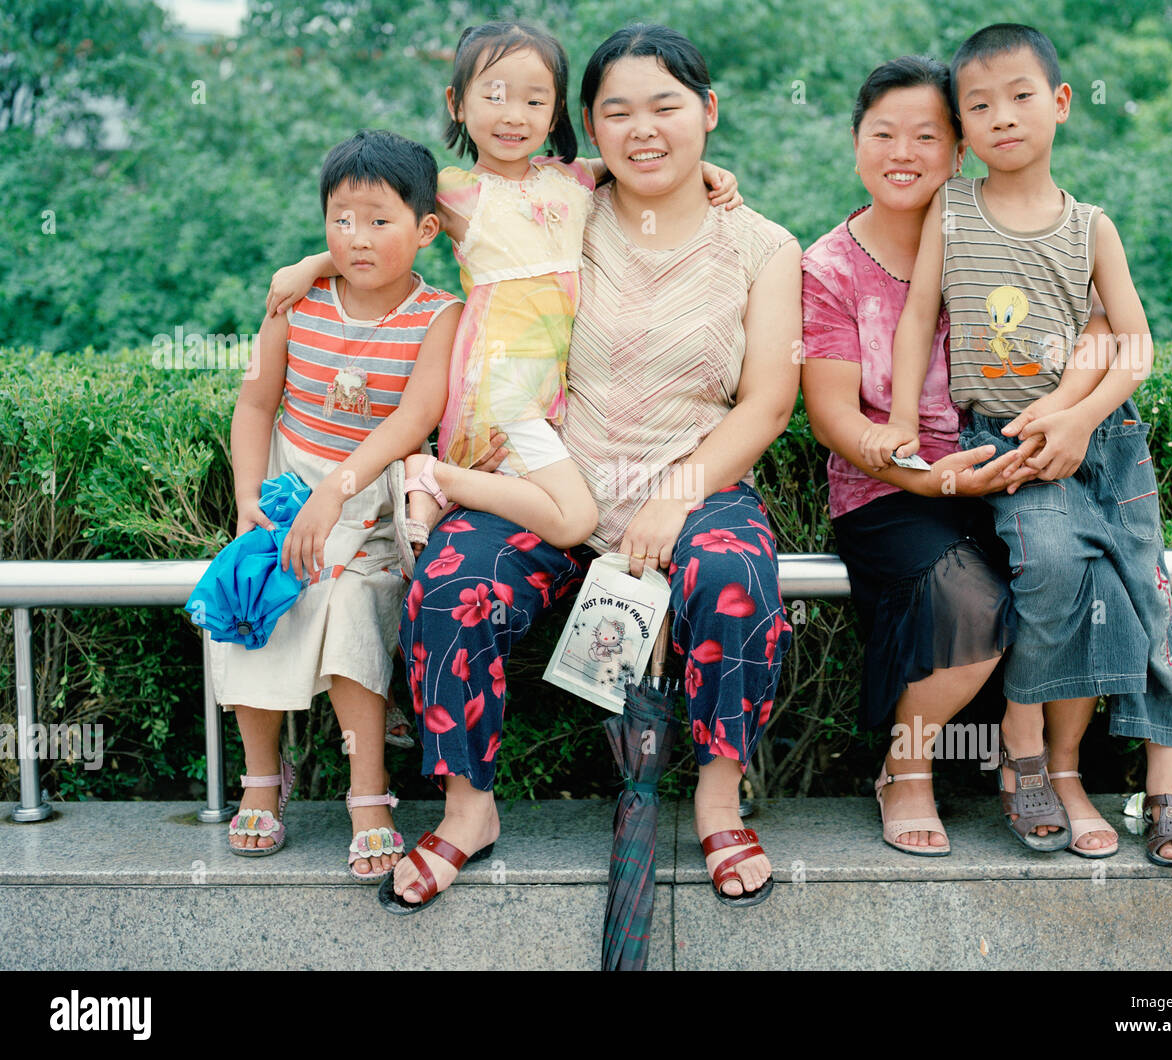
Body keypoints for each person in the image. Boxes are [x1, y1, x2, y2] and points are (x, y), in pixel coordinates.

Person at [381, 23, 802, 914]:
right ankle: (468, 810)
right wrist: (311, 263)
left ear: (709, 110)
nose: (643, 129)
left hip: (694, 481)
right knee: (453, 583)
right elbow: (389, 217)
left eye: (665, 107)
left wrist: (676, 496)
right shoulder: (564, 209)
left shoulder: (765, 246)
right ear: (589, 126)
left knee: (733, 576)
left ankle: (718, 801)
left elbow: (767, 403)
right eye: (618, 112)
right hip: (551, 479)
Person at [862, 24, 1172, 866]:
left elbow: (1134, 345)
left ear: (1060, 103)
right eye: (979, 106)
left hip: (1106, 439)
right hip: (1010, 444)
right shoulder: (952, 209)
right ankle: (1028, 750)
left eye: (1021, 97)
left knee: (1145, 593)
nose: (1003, 117)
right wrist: (901, 420)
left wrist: (1082, 419)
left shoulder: (1091, 226)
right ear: (963, 127)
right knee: (1050, 573)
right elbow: (918, 316)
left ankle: (1166, 775)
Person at [802, 56, 1119, 858]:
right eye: (883, 134)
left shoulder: (998, 231)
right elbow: (834, 418)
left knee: (1077, 567)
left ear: (959, 149)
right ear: (855, 143)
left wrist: (1072, 418)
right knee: (971, 600)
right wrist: (923, 472)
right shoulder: (828, 268)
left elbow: (1101, 324)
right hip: (892, 490)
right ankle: (906, 770)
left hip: (1011, 465)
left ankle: (1047, 768)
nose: (902, 153)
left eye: (926, 136)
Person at [268, 21, 741, 558]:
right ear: (457, 103)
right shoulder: (456, 191)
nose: (514, 115)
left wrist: (702, 167)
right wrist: (314, 264)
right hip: (501, 384)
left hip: (546, 387)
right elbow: (385, 227)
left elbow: (635, 162)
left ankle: (438, 497)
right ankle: (431, 475)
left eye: (534, 101)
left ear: (555, 114)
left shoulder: (572, 179)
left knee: (532, 503)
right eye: (494, 96)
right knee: (574, 518)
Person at [216, 129, 466, 882]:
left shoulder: (439, 316)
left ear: (425, 228)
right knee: (250, 590)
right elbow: (255, 405)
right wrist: (248, 503)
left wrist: (338, 490)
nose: (357, 237)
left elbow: (411, 421)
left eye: (380, 220)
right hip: (288, 490)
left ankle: (369, 795)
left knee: (353, 599)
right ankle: (262, 779)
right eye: (341, 219)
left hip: (372, 501)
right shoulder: (295, 301)